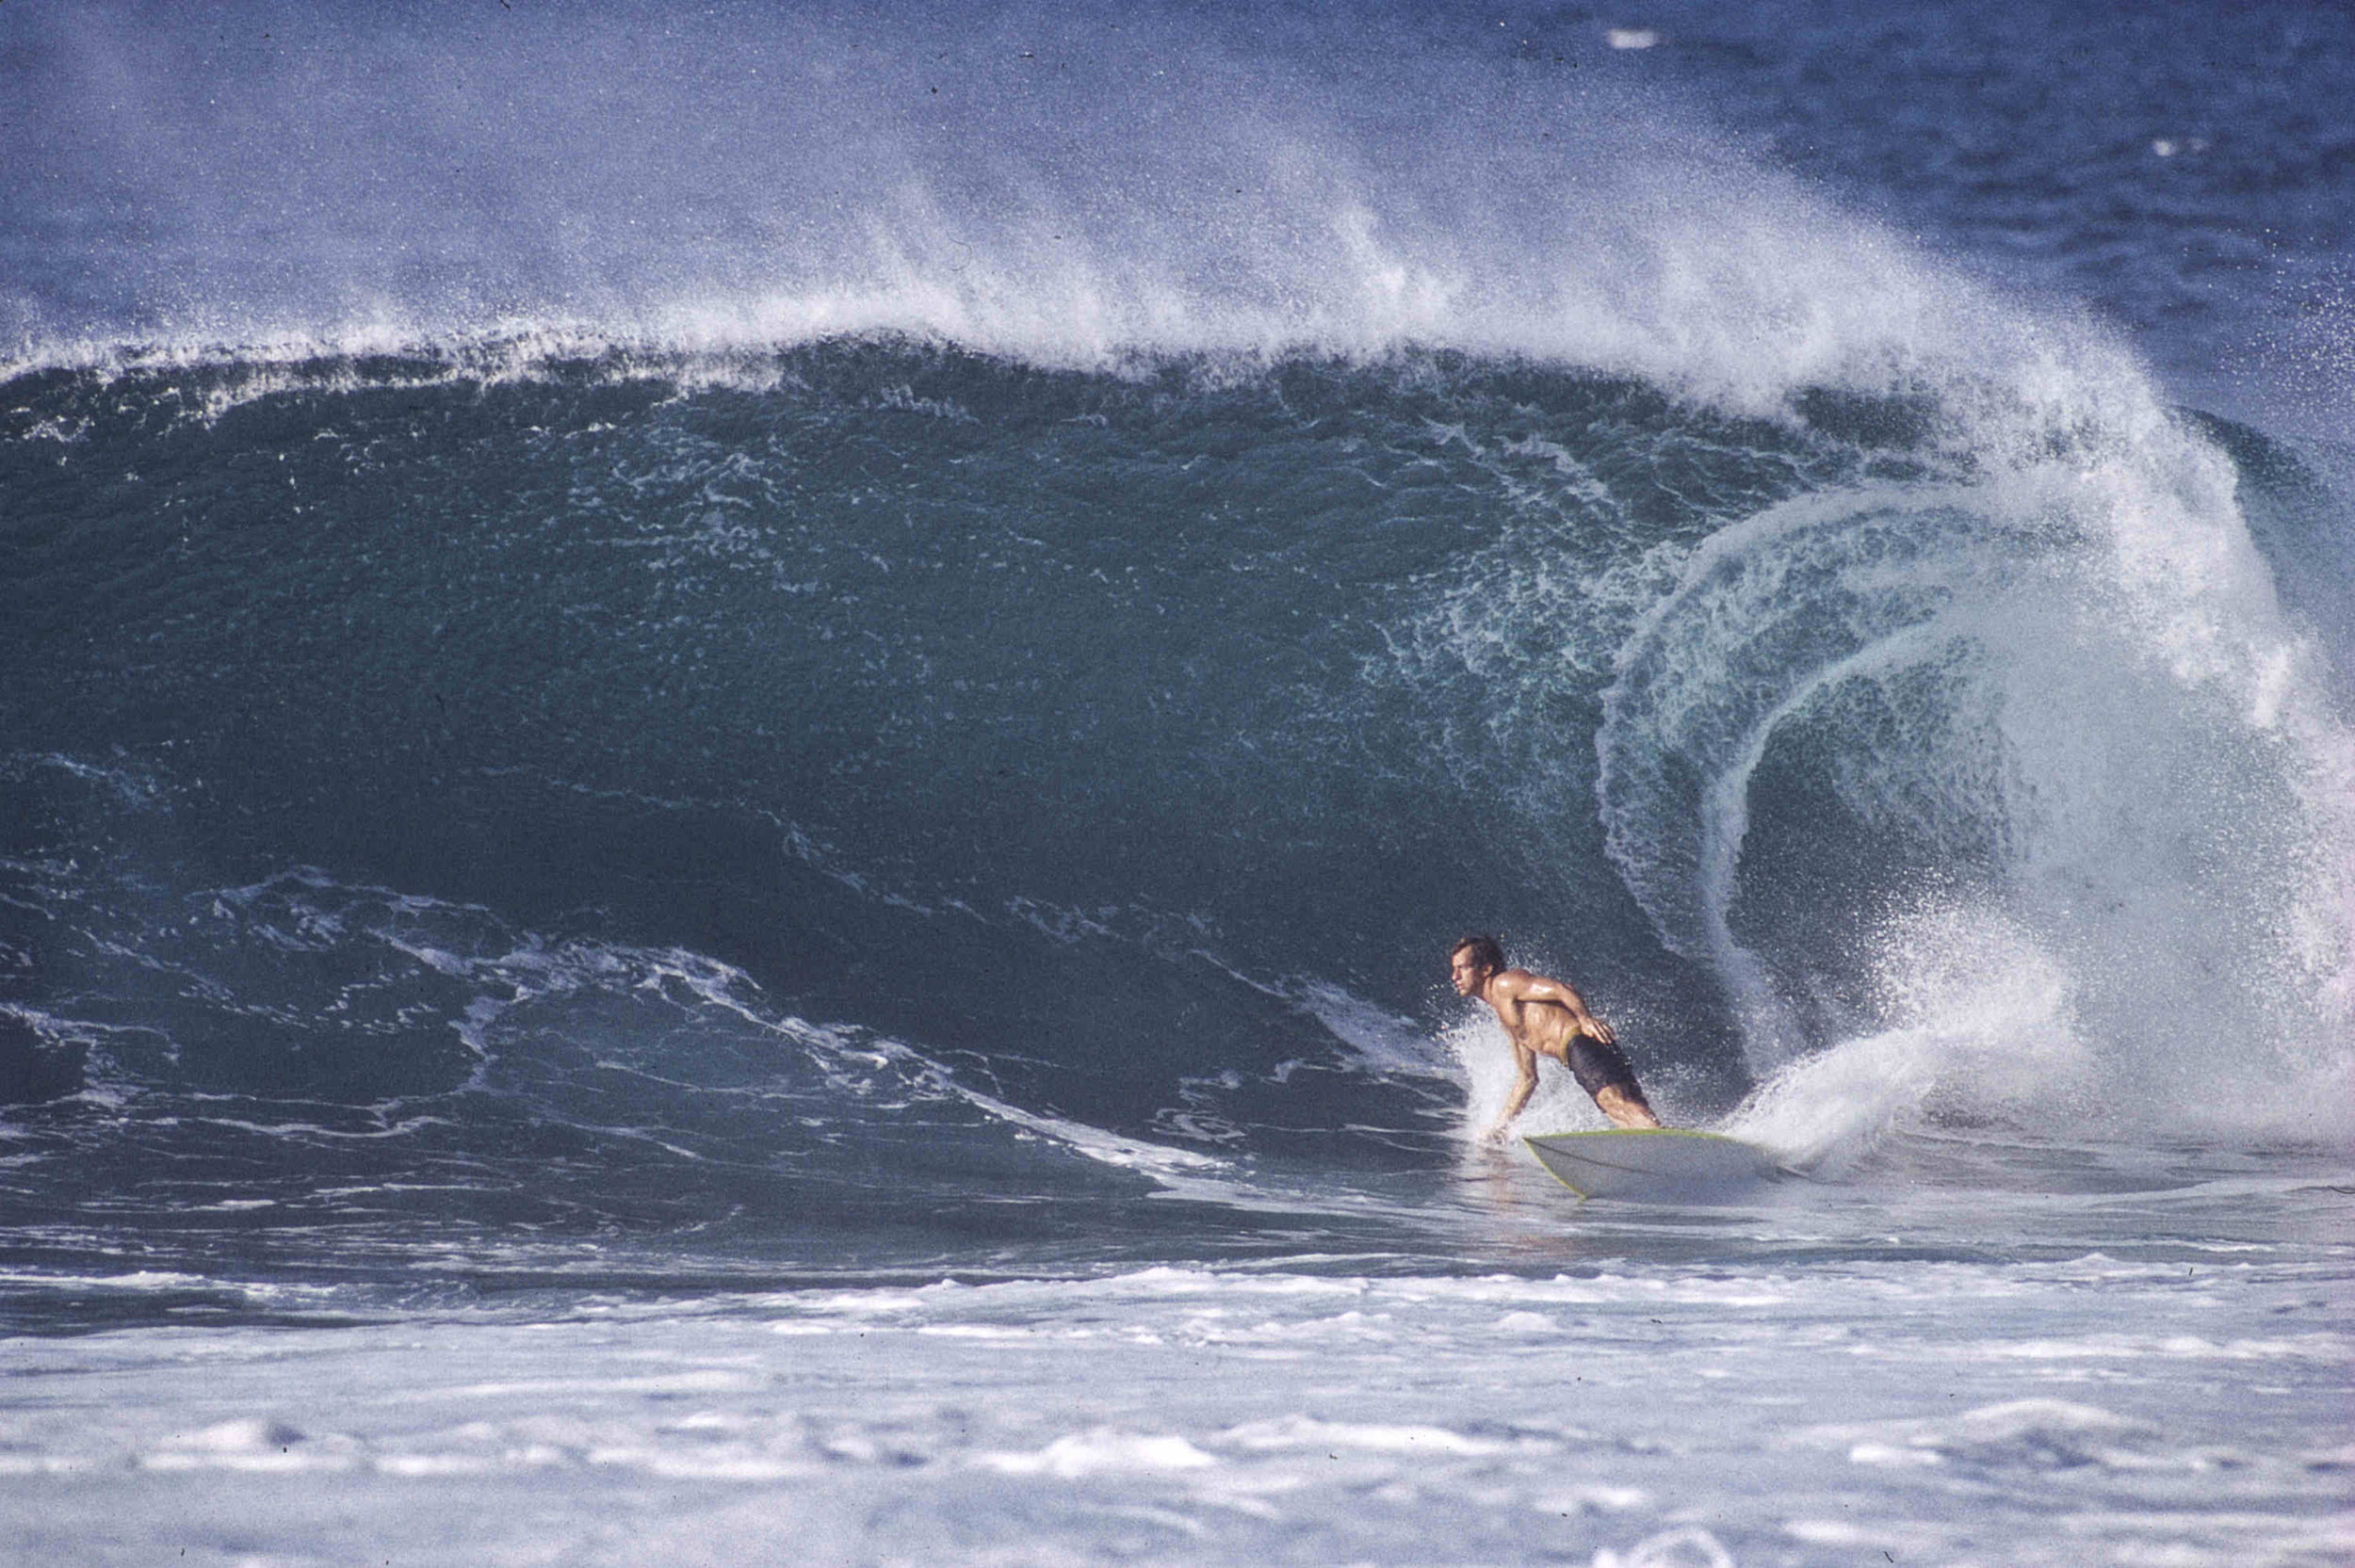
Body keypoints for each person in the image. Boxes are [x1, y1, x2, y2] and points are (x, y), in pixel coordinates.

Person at [1449, 934, 1660, 1140]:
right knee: (1621, 1112)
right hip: (1578, 1049)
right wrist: (1500, 1127)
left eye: (1462, 968)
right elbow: (1527, 1079)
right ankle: (1663, 1148)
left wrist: (1585, 1018)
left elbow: (1561, 989)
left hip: (1579, 1041)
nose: (1455, 977)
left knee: (1614, 1102)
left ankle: (1666, 1144)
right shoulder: (1506, 1018)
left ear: (1486, 969)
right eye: (1454, 969)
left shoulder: (1505, 983)